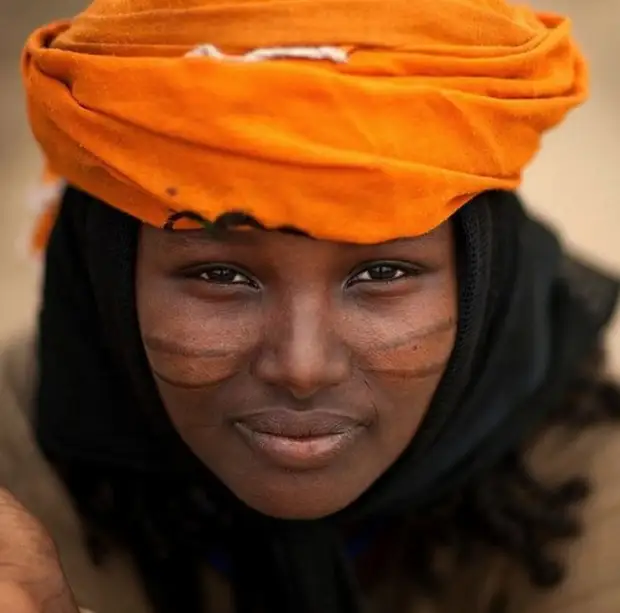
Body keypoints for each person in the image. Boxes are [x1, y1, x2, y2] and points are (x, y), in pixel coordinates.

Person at [1, 0, 619, 611]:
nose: (302, 367)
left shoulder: (582, 479)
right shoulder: (14, 471)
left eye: (383, 271)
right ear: (107, 277)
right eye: (220, 274)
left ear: (482, 281)